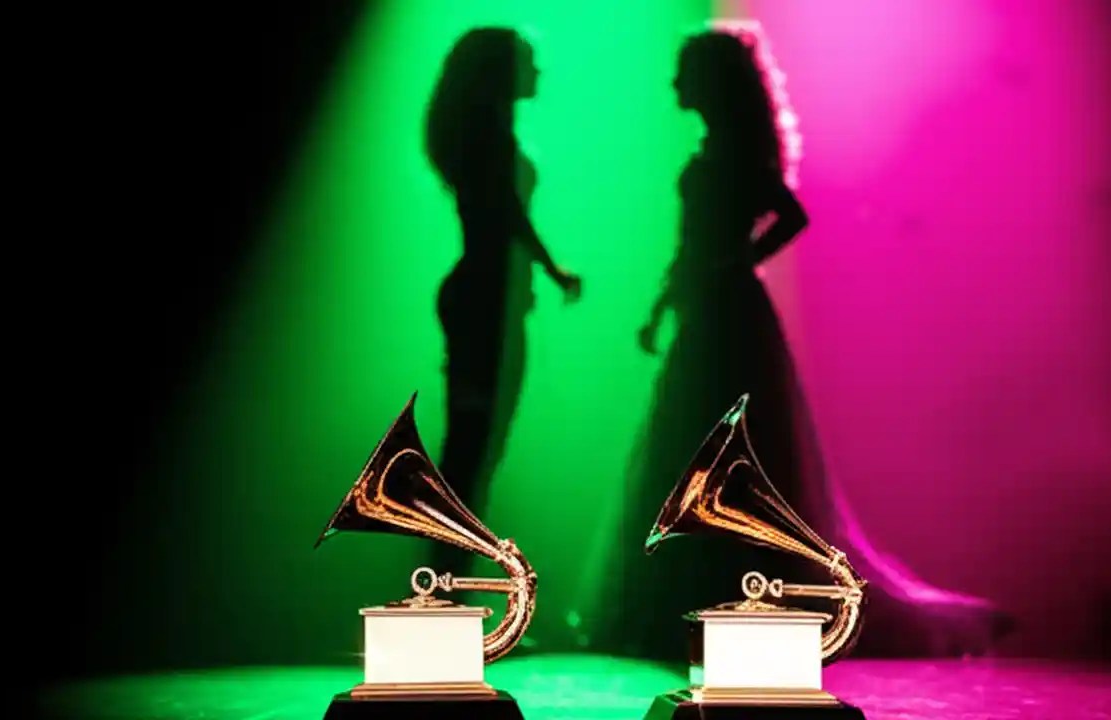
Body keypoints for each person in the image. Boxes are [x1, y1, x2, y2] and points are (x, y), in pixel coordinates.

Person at [608, 21, 1011, 661]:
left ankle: (742, 589)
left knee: (739, 448)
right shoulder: (713, 154)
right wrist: (663, 307)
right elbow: (688, 249)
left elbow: (791, 214)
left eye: (685, 72)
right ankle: (692, 594)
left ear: (710, 82)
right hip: (708, 310)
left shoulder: (739, 154)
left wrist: (737, 262)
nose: (675, 83)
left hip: (733, 314)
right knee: (693, 445)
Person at [423, 28, 581, 577]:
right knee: (471, 449)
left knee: (473, 448)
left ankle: (450, 580)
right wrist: (552, 266)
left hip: (489, 299)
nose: (538, 72)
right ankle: (444, 583)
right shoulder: (486, 131)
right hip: (484, 303)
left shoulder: (483, 130)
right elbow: (506, 210)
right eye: (528, 63)